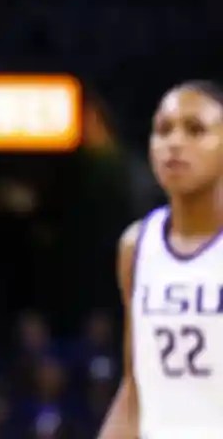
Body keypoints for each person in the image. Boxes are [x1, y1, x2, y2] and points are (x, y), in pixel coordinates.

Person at [99, 81, 223, 439]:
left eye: (195, 129)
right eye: (163, 129)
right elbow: (135, 388)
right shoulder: (137, 247)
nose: (175, 142)